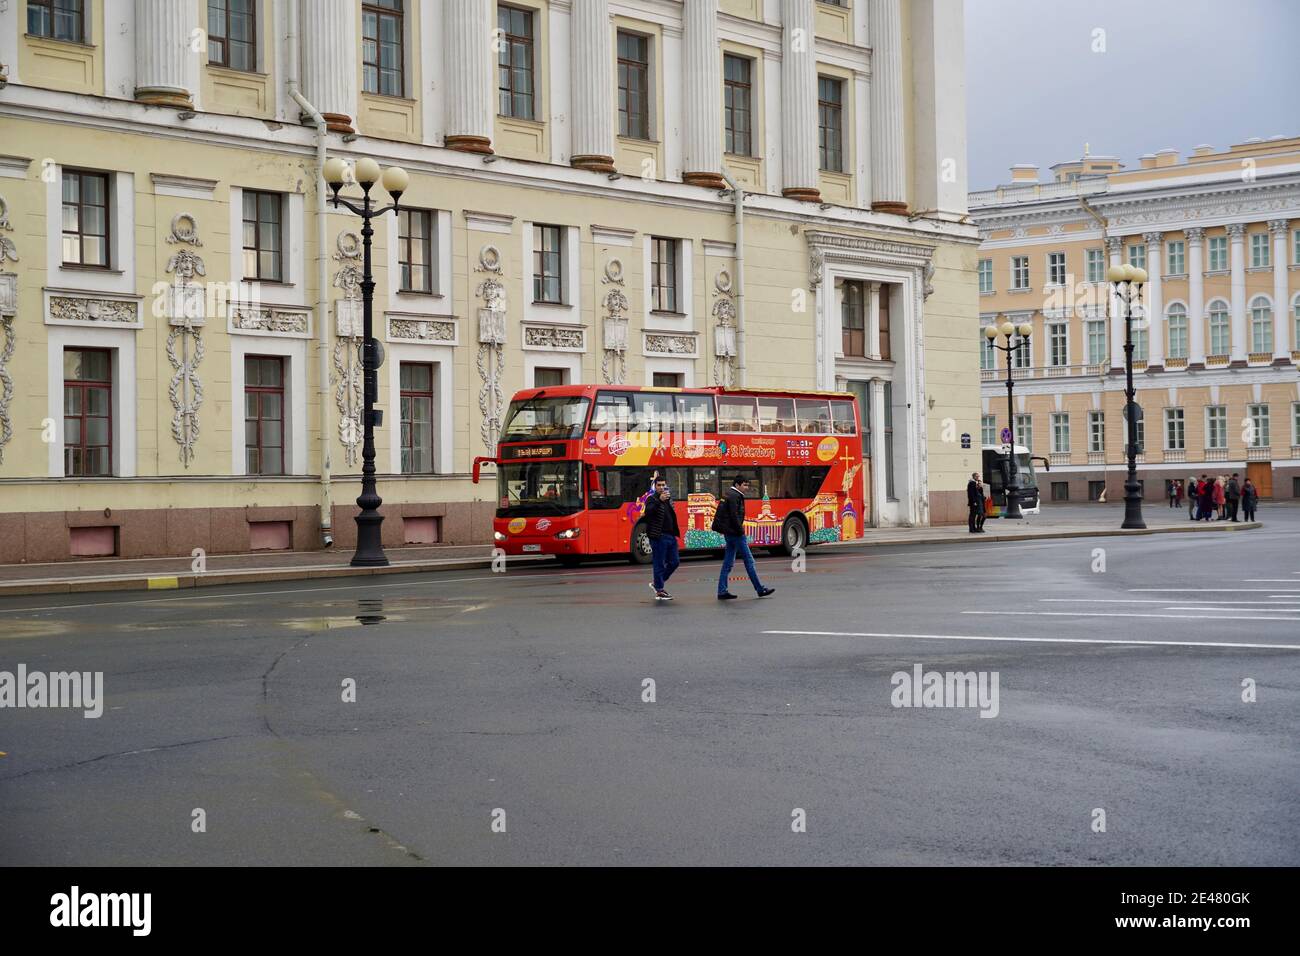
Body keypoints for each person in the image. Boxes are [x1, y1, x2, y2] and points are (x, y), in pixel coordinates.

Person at [712, 476, 775, 600]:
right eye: (745, 485)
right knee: (749, 561)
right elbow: (734, 516)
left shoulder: (728, 494)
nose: (747, 488)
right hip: (736, 534)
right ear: (737, 484)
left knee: (728, 563)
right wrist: (741, 531)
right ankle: (760, 589)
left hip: (729, 533)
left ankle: (722, 591)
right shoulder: (735, 495)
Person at [644, 476, 681, 601]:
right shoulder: (651, 499)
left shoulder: (668, 499)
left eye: (663, 485)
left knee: (675, 562)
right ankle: (659, 590)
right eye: (658, 485)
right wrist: (659, 500)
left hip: (670, 535)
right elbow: (648, 513)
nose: (661, 487)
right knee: (659, 563)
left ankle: (657, 583)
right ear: (655, 486)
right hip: (658, 536)